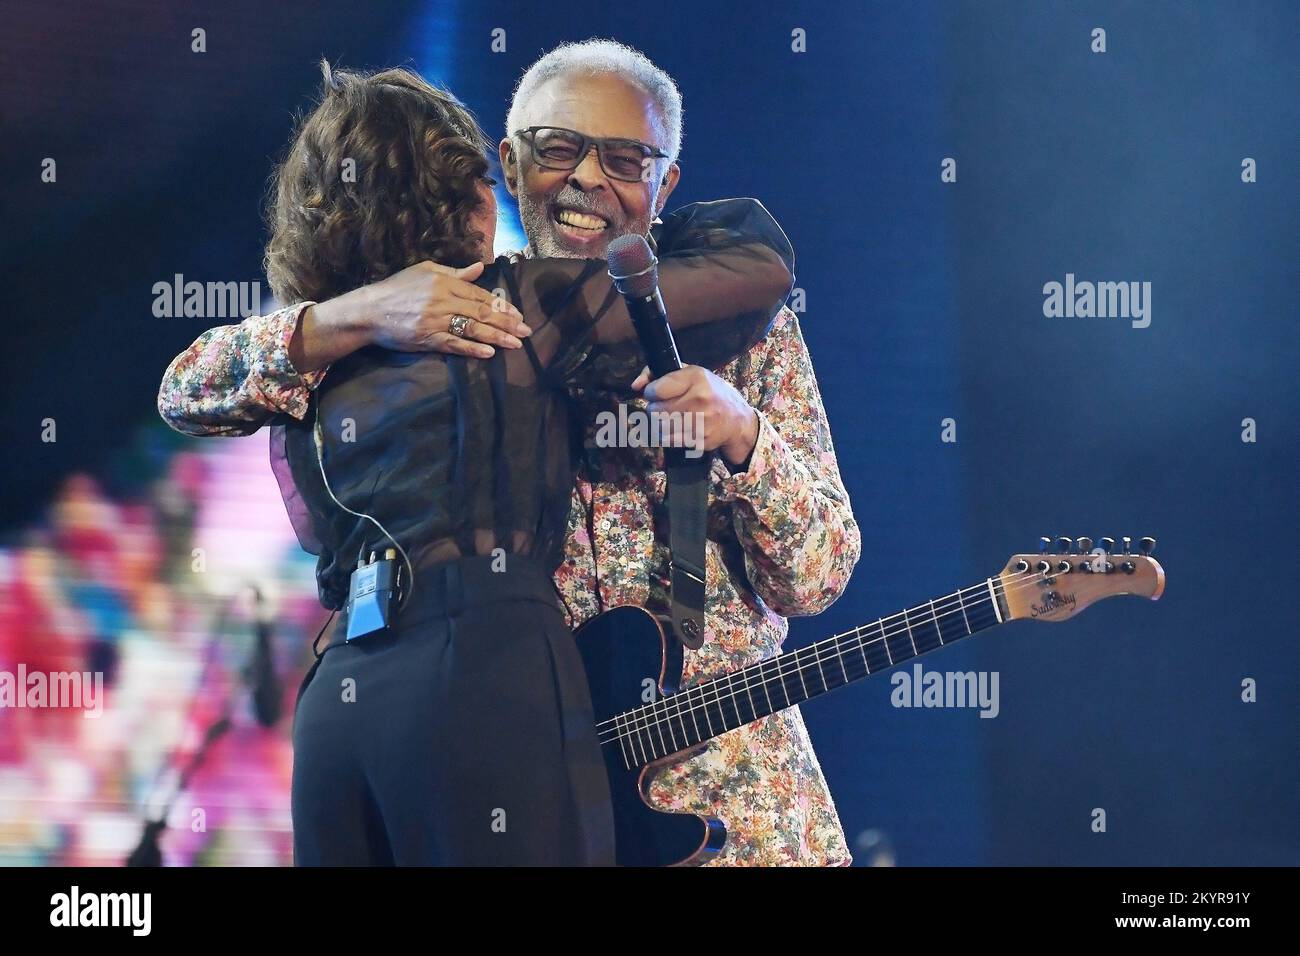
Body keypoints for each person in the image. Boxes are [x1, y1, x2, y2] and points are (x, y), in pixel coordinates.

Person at [160, 40, 860, 867]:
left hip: (743, 808)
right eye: (558, 148)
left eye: (625, 159)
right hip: (546, 800)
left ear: (665, 182)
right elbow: (190, 389)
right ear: (510, 161)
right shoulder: (449, 311)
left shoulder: (744, 325)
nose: (588, 179)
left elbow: (818, 579)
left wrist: (747, 438)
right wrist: (355, 314)